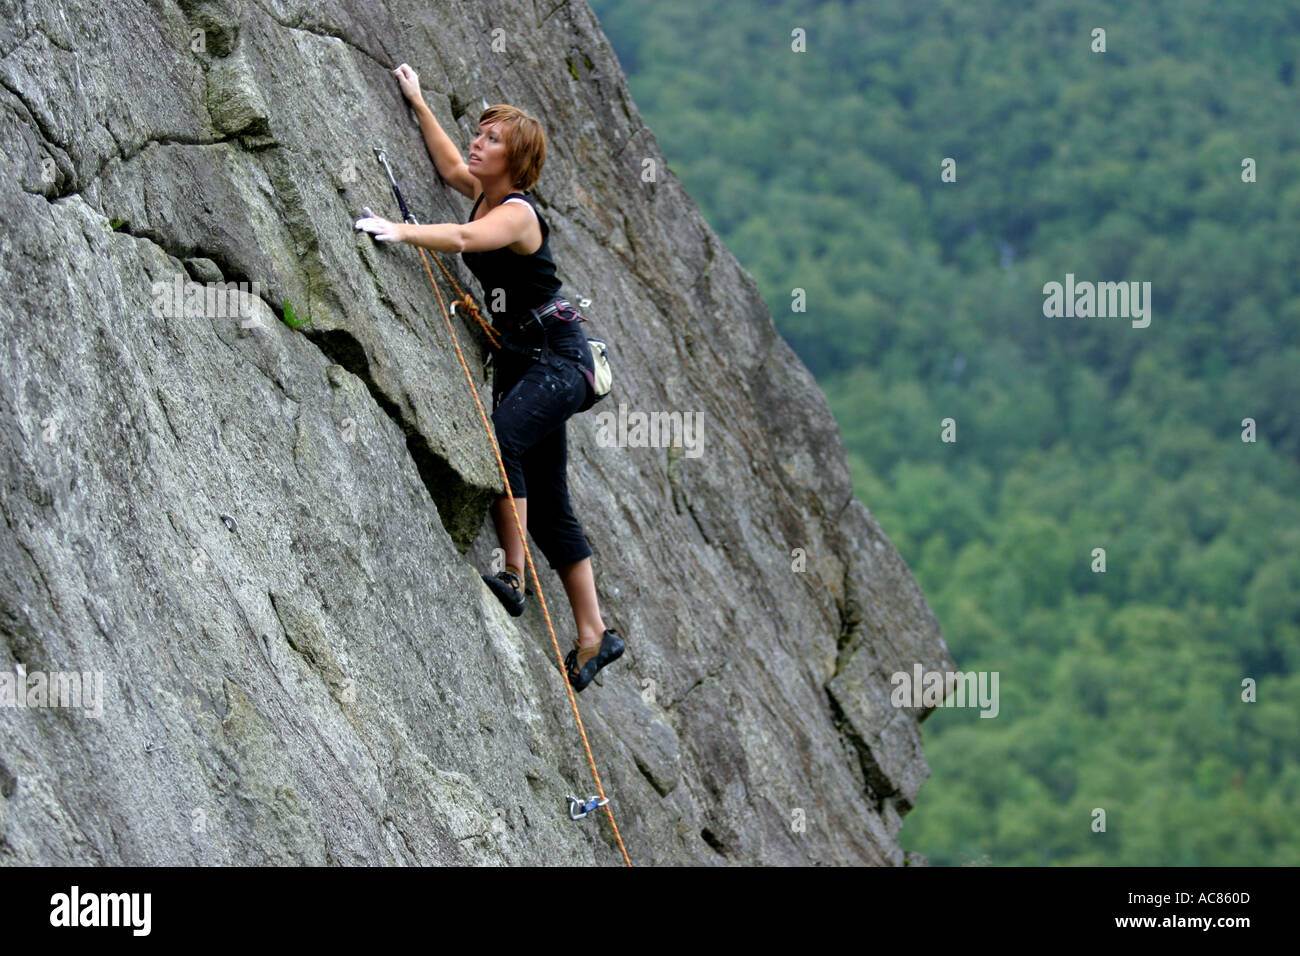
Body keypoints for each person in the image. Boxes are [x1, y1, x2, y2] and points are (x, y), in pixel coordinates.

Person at [354, 63, 623, 692]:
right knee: (552, 504)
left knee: (501, 441)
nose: (477, 142)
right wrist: (418, 103)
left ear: (516, 159)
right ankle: (593, 635)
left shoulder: (518, 215)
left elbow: (466, 236)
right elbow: (452, 169)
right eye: (479, 133)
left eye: (491, 139)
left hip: (559, 358)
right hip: (529, 360)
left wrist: (398, 231)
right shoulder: (485, 191)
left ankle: (512, 571)